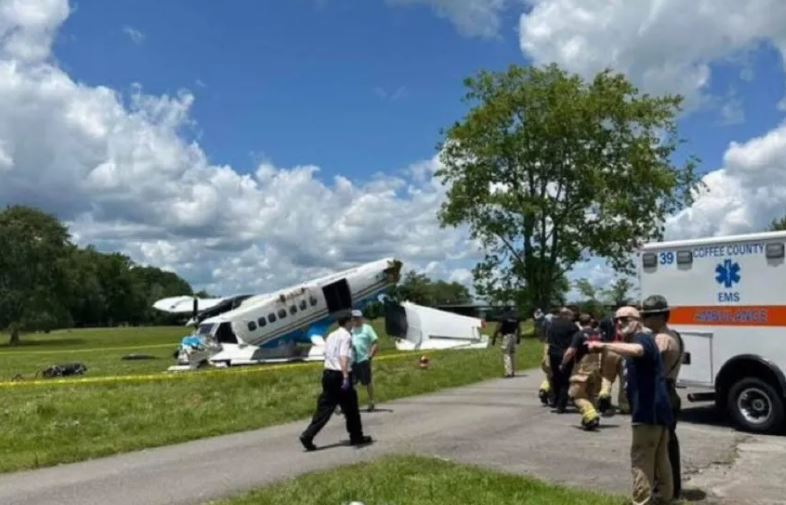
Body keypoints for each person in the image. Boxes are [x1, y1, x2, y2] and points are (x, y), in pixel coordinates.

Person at [587, 306, 673, 505]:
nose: (619, 323)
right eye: (617, 320)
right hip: (657, 410)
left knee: (641, 459)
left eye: (625, 319)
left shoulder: (641, 339)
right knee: (660, 459)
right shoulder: (644, 338)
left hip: (647, 411)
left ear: (638, 320)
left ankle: (641, 501)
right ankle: (664, 499)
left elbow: (637, 350)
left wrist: (604, 345)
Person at [300, 313, 372, 451]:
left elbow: (326, 354)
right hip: (341, 374)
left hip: (328, 373)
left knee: (325, 408)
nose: (354, 323)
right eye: (352, 320)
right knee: (351, 408)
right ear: (348, 322)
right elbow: (343, 356)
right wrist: (345, 376)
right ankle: (356, 436)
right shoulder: (346, 336)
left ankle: (308, 435)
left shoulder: (331, 335)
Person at [641, 295, 684, 500]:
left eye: (647, 315)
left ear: (659, 317)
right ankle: (672, 488)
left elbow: (647, 362)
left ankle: (665, 490)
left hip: (662, 392)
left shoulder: (661, 339)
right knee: (668, 444)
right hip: (670, 390)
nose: (644, 319)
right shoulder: (675, 334)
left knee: (660, 446)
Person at [560, 313, 602, 430]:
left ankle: (590, 415)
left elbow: (570, 351)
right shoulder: (598, 334)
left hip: (583, 368)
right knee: (591, 394)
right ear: (591, 322)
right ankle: (590, 418)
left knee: (575, 395)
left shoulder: (579, 335)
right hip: (596, 367)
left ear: (579, 323)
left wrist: (563, 363)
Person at [547, 307, 580, 412]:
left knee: (556, 378)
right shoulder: (572, 326)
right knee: (565, 380)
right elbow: (576, 342)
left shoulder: (552, 325)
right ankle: (561, 405)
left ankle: (555, 401)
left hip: (553, 353)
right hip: (565, 354)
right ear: (568, 315)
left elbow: (548, 339)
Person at [351, 309, 379, 412]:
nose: (356, 320)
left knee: (367, 381)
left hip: (364, 359)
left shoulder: (367, 328)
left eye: (358, 318)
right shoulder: (351, 330)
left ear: (361, 318)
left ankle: (371, 401)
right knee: (352, 383)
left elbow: (375, 342)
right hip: (353, 360)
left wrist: (370, 355)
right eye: (354, 318)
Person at [491, 308, 521, 377]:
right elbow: (519, 329)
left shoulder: (503, 318)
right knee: (512, 354)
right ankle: (513, 371)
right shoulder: (515, 318)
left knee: (506, 354)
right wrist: (519, 338)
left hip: (506, 337)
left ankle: (508, 372)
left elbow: (497, 329)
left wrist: (494, 339)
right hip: (513, 336)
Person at [538, 307, 559, 405]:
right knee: (557, 375)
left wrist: (542, 339)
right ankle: (553, 396)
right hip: (558, 346)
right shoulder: (561, 321)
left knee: (550, 373)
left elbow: (541, 330)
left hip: (547, 344)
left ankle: (543, 388)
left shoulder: (546, 319)